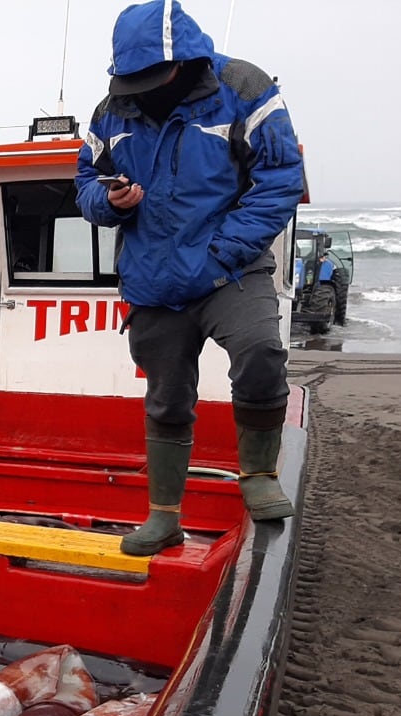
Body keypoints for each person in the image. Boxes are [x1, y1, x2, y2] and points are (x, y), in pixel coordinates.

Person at [75, 0, 305, 556]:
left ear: (185, 60)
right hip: (154, 278)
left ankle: (257, 473)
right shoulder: (111, 111)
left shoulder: (243, 87)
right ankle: (164, 517)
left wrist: (224, 250)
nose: (142, 89)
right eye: (133, 80)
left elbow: (280, 180)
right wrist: (111, 202)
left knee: (260, 353)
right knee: (166, 397)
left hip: (231, 265)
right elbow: (85, 184)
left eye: (153, 77)